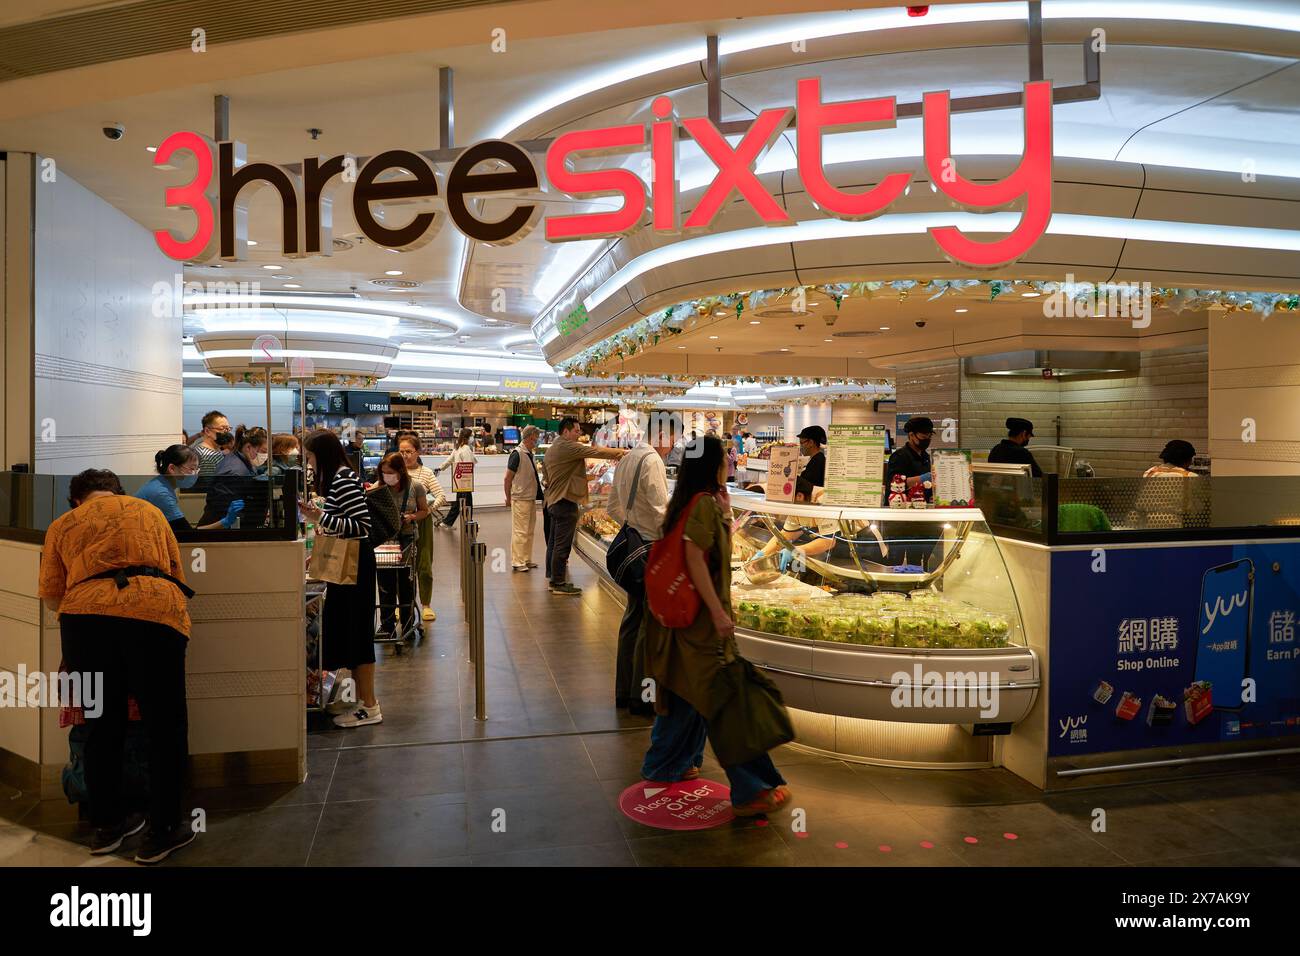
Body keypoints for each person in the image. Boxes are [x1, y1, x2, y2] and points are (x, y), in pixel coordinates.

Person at [39, 469, 196, 864]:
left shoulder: (61, 525)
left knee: (99, 724)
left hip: (85, 621)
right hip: (153, 612)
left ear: (77, 499)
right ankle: (163, 830)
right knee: (165, 723)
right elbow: (175, 571)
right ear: (117, 491)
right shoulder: (149, 511)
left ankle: (107, 826)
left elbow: (53, 595)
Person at [640, 436, 791, 816]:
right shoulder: (704, 504)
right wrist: (719, 613)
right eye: (724, 457)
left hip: (682, 623)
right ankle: (752, 788)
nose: (729, 461)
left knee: (684, 695)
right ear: (712, 465)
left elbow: (703, 554)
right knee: (722, 704)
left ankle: (665, 765)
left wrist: (725, 517)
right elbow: (694, 561)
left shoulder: (691, 502)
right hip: (701, 626)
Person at [300, 429, 381, 728]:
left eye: (309, 457)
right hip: (351, 563)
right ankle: (363, 701)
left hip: (356, 565)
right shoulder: (340, 478)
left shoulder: (343, 479)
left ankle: (369, 706)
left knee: (357, 632)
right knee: (350, 630)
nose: (309, 463)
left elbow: (361, 526)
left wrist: (318, 517)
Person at [608, 433, 668, 712]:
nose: (672, 446)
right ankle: (642, 699)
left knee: (632, 618)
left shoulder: (626, 458)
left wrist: (632, 527)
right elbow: (660, 511)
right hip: (652, 550)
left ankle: (623, 690)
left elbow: (611, 507)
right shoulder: (652, 460)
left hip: (633, 550)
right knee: (649, 624)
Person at [542, 416, 626, 595]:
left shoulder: (552, 449)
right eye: (576, 431)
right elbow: (596, 452)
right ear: (566, 431)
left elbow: (547, 477)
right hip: (565, 502)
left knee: (554, 543)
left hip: (553, 500)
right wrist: (624, 453)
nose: (579, 434)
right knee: (561, 545)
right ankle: (558, 583)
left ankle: (553, 577)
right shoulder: (567, 445)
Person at [373, 452, 428, 640]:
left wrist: (411, 517)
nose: (387, 476)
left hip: (407, 539)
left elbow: (424, 511)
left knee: (407, 584)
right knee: (385, 584)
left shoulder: (416, 486)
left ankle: (407, 622)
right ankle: (387, 624)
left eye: (390, 472)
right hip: (385, 541)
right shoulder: (378, 488)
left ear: (400, 471)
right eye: (383, 473)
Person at [137, 445, 244, 532]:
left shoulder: (161, 484)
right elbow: (187, 534)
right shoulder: (161, 494)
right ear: (172, 468)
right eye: (192, 469)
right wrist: (225, 522)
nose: (195, 474)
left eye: (197, 469)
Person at [397, 433, 445, 620]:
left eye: (409, 451)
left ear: (417, 452)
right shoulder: (395, 471)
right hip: (398, 524)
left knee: (424, 564)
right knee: (399, 565)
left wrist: (426, 511)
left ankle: (426, 604)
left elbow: (441, 495)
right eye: (401, 452)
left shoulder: (425, 473)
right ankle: (402, 605)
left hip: (421, 524)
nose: (405, 455)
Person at [200, 425, 268, 527]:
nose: (265, 455)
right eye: (263, 451)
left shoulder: (242, 461)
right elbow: (224, 511)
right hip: (218, 530)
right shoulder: (234, 472)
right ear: (248, 447)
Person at [504, 425, 544, 572]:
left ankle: (526, 558)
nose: (536, 443)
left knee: (529, 530)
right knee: (520, 531)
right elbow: (507, 478)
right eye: (534, 440)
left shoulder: (528, 453)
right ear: (527, 438)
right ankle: (517, 561)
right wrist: (508, 497)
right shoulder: (517, 454)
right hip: (520, 498)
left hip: (530, 497)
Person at [886, 416, 935, 502]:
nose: (927, 440)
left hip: (922, 505)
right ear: (911, 435)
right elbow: (892, 484)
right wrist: (922, 479)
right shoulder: (899, 456)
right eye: (924, 437)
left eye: (929, 436)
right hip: (903, 506)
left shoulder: (926, 456)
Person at [435, 427, 476, 527]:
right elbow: (468, 465)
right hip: (465, 480)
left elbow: (449, 460)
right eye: (472, 436)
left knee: (460, 502)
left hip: (458, 479)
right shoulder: (466, 449)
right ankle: (468, 523)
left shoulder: (458, 448)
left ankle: (450, 522)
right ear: (467, 437)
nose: (473, 438)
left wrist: (440, 468)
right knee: (466, 503)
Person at [189, 410, 230, 480]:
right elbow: (207, 485)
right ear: (207, 431)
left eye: (228, 429)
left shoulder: (215, 449)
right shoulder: (206, 456)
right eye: (222, 428)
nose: (226, 432)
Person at [794, 425, 827, 501]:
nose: (800, 446)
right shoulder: (816, 459)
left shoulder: (817, 461)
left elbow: (808, 486)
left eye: (802, 443)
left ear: (811, 442)